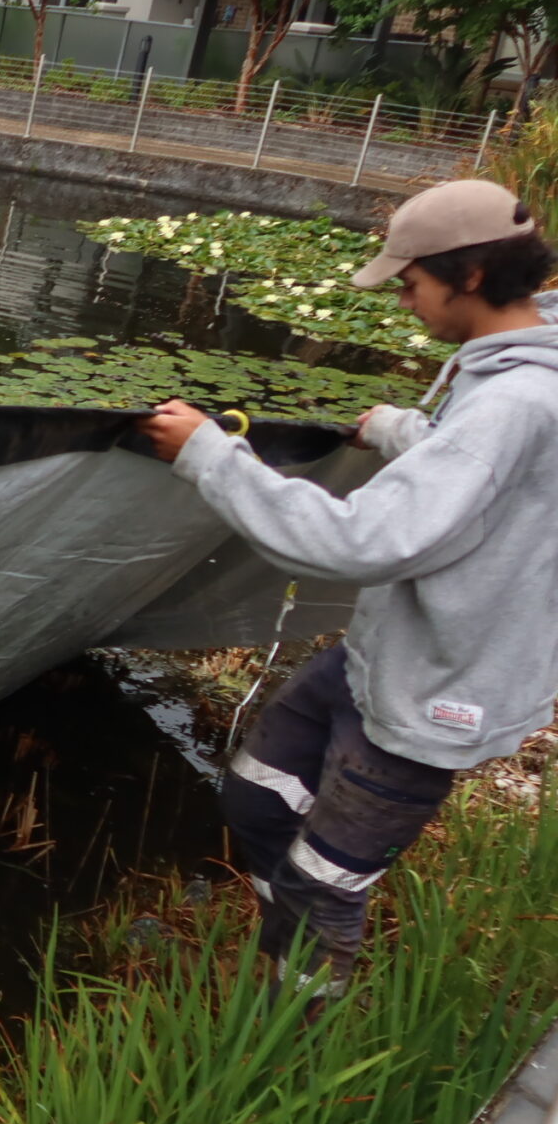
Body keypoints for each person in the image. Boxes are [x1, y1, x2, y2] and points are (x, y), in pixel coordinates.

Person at [140, 179, 558, 994]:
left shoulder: (517, 399)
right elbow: (468, 462)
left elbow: (357, 539)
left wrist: (206, 454)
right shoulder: (519, 361)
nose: (405, 301)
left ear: (468, 274)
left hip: (438, 688)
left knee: (325, 884)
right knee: (259, 800)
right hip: (390, 652)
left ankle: (289, 1037)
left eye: (410, 283)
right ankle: (283, 937)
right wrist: (399, 429)